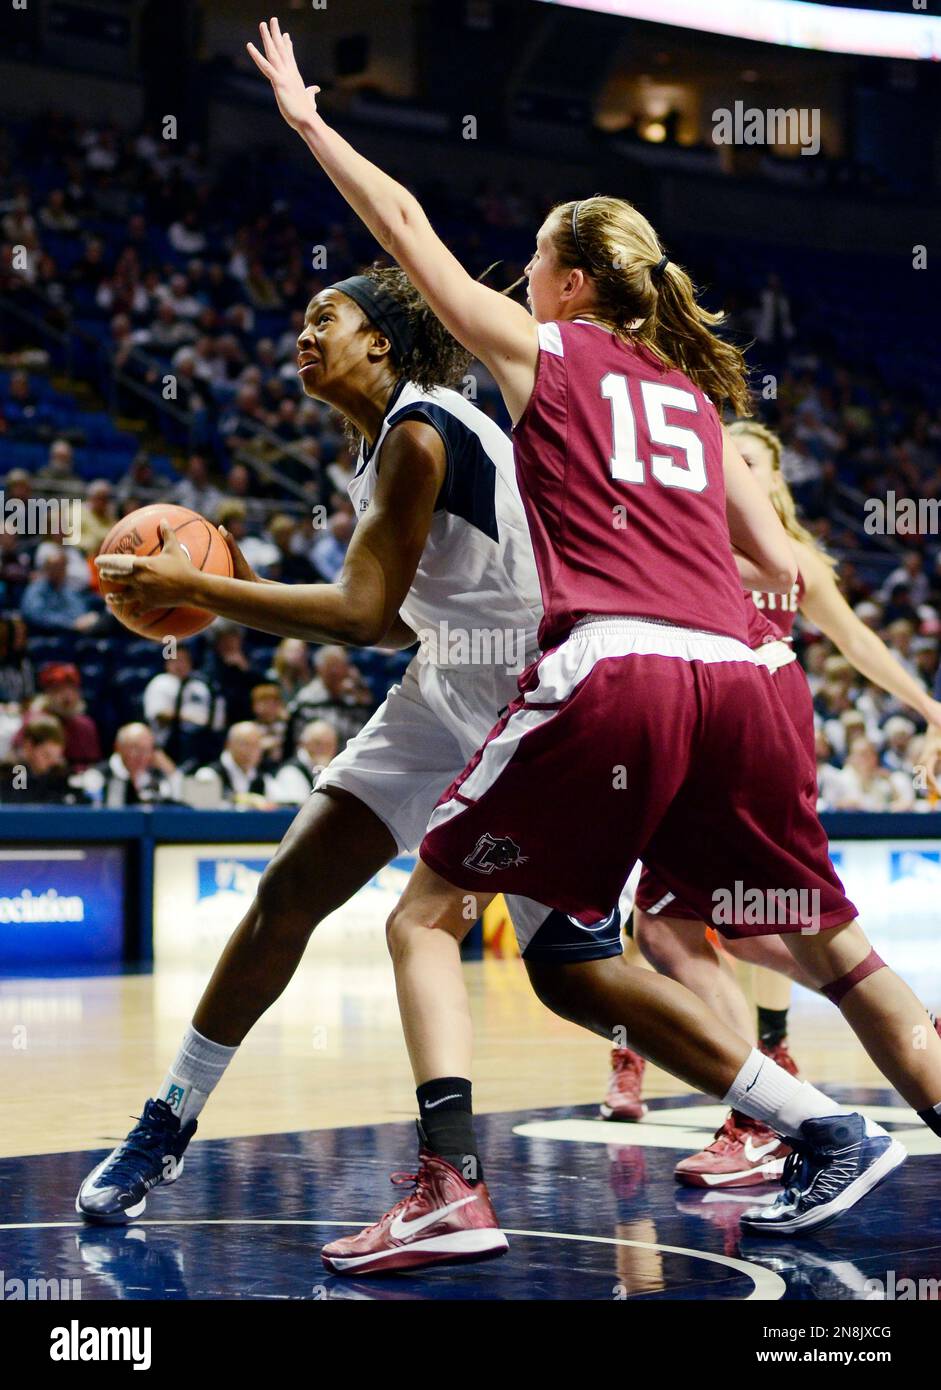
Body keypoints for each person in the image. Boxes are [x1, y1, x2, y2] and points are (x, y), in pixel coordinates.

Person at [236, 21, 941, 1269]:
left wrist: (306, 120)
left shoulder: (544, 352)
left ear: (565, 284)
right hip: (739, 681)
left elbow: (404, 227)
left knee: (423, 920)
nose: (514, 288)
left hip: (616, 667)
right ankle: (833, 1122)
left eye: (531, 270)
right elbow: (777, 569)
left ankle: (454, 1189)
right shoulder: (695, 402)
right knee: (814, 947)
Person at [84, 259, 842, 1264]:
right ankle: (166, 1124)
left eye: (328, 315)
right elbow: (401, 616)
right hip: (449, 682)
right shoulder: (376, 441)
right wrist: (229, 588)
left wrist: (209, 588)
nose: (302, 331)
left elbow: (359, 614)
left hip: (542, 697)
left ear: (383, 341)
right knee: (291, 887)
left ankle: (815, 1123)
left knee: (575, 976)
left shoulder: (420, 428)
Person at [620, 419, 941, 1187]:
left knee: (680, 928)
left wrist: (930, 710)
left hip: (750, 733)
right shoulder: (688, 540)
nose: (730, 469)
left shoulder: (781, 561)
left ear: (770, 484)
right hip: (713, 732)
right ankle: (897, 1027)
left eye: (749, 462)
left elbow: (857, 643)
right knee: (722, 927)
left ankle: (758, 1114)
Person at [81, 723, 182, 807]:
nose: (142, 756)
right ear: (118, 747)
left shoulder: (156, 776)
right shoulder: (97, 775)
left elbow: (176, 805)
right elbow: (92, 812)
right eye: (136, 749)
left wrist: (172, 773)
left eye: (147, 750)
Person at [267, 718, 338, 804]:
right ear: (304, 743)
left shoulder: (334, 768)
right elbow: (302, 807)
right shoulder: (290, 771)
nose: (324, 749)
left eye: (329, 744)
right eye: (318, 743)